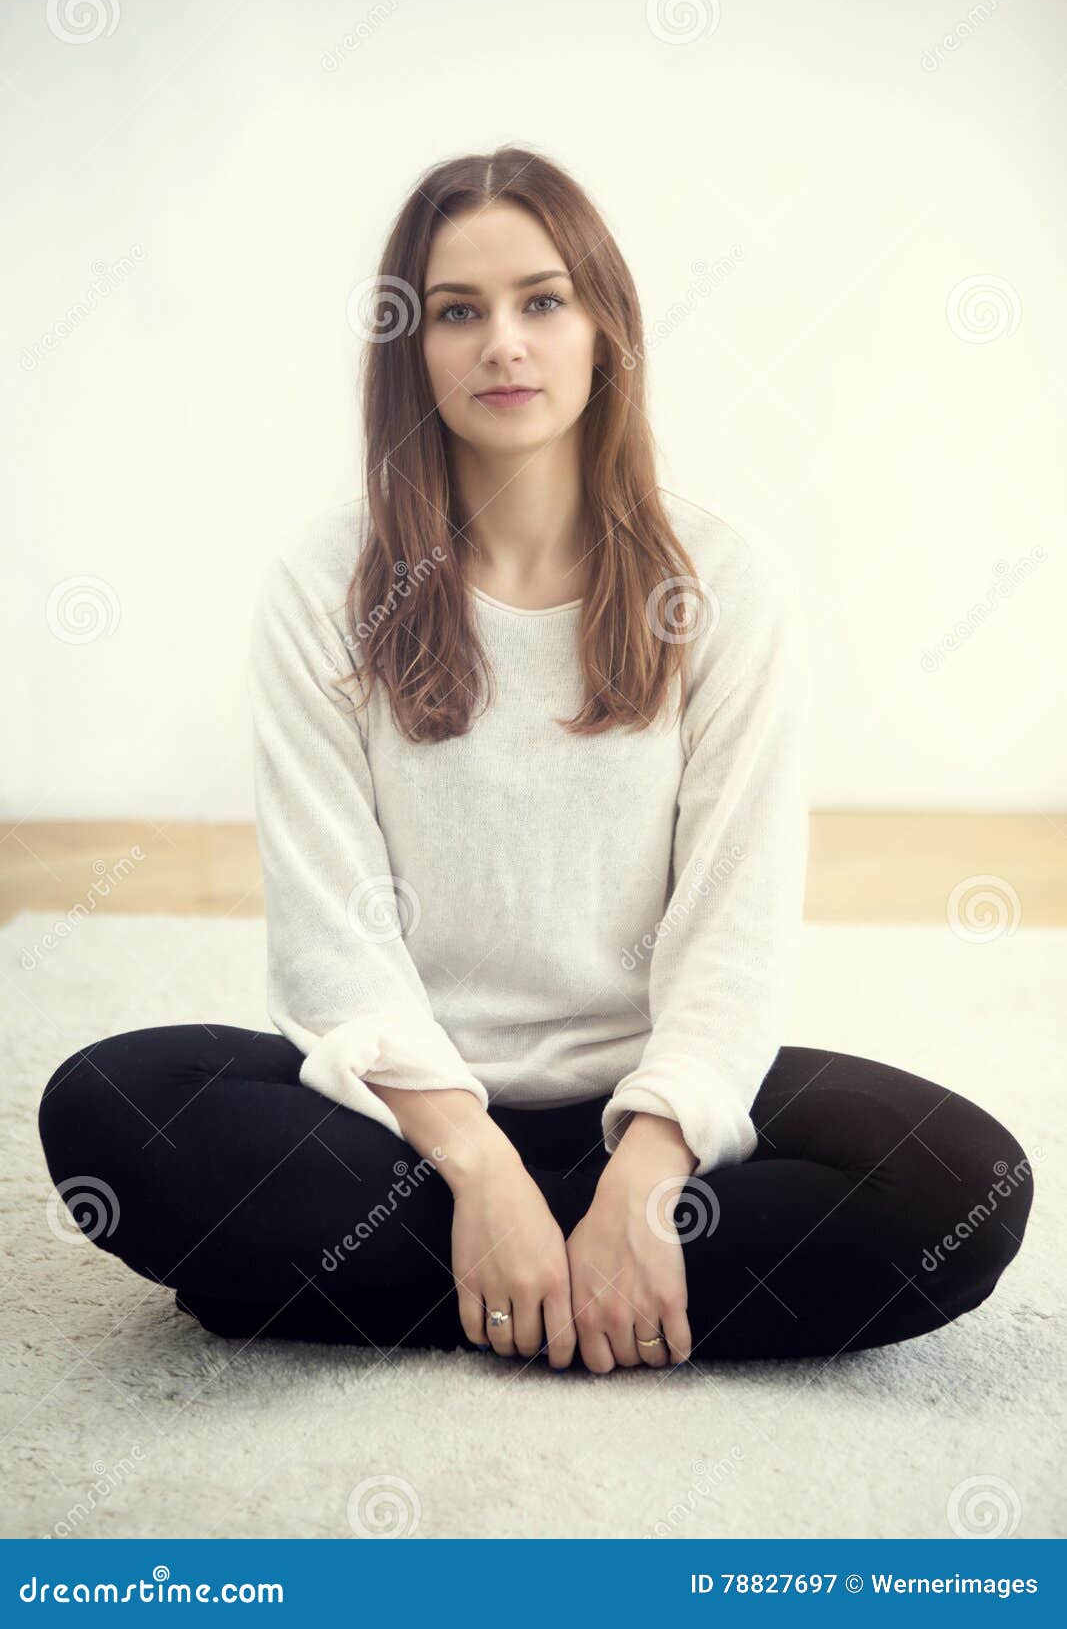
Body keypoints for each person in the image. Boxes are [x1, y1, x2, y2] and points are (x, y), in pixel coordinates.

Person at [37, 147, 1034, 1375]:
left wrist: (648, 1170)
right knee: (107, 1105)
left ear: (601, 327)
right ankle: (556, 1273)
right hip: (403, 1123)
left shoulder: (723, 584)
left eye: (541, 301)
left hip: (644, 1103)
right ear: (410, 348)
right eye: (457, 312)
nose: (502, 343)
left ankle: (444, 1282)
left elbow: (734, 936)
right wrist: (480, 1168)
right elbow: (331, 946)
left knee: (960, 1184)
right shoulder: (324, 584)